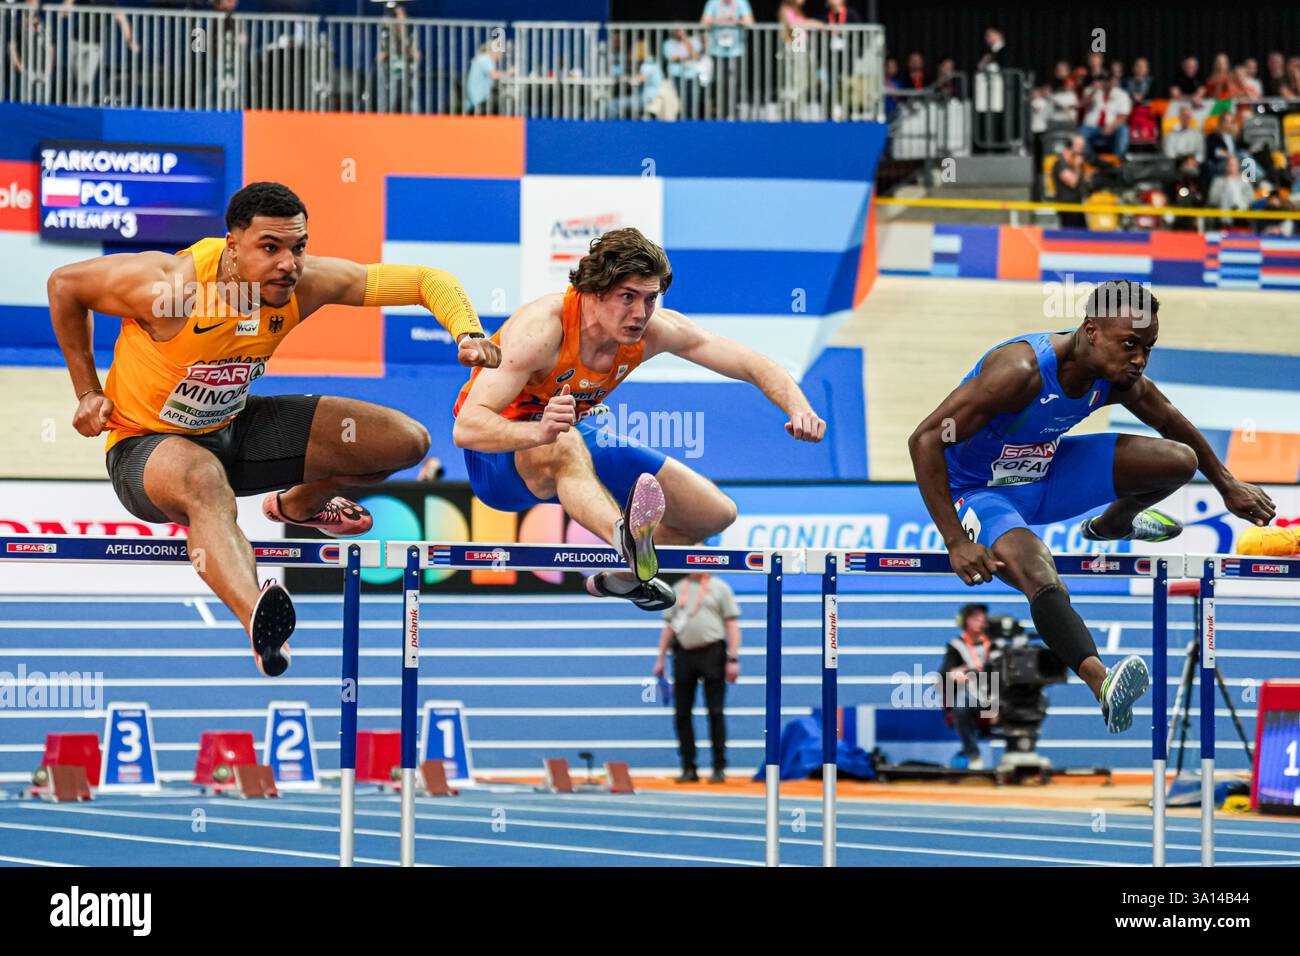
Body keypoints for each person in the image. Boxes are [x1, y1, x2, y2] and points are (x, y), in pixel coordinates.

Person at [48, 182, 500, 677]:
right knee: (201, 479)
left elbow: (425, 280)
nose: (289, 263)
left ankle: (300, 505)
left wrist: (469, 333)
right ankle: (259, 622)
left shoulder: (300, 285)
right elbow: (65, 285)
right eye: (270, 248)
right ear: (232, 245)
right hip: (145, 449)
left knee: (405, 441)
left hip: (234, 430)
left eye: (298, 247)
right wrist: (88, 391)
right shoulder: (170, 288)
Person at [907, 280, 1276, 734]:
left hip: (1049, 473)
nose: (1140, 359)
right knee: (1039, 570)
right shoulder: (1019, 371)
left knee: (1181, 460)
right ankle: (1103, 683)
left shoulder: (1116, 375)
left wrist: (1226, 484)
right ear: (1091, 330)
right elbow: (924, 439)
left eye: (1149, 347)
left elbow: (1169, 420)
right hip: (983, 490)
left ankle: (1114, 523)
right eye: (1131, 345)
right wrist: (954, 540)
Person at [451, 228, 826, 611]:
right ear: (593, 292)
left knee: (713, 514)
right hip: (496, 459)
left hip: (568, 433)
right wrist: (540, 430)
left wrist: (799, 408)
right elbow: (467, 428)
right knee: (562, 442)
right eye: (627, 297)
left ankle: (625, 579)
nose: (640, 314)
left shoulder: (652, 330)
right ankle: (627, 540)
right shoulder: (539, 332)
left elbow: (751, 363)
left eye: (650, 299)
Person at [653, 571, 742, 784]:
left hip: (713, 652)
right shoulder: (677, 588)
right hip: (683, 654)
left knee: (715, 712)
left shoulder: (719, 587)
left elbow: (731, 625)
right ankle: (688, 767)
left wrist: (733, 658)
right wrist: (660, 658)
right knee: (682, 713)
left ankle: (719, 767)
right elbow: (669, 627)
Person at [939, 603, 996, 770]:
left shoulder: (995, 644)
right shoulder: (956, 647)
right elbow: (942, 677)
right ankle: (973, 754)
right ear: (965, 621)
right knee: (962, 703)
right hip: (973, 697)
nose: (981, 620)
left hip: (997, 694)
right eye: (975, 617)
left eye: (982, 617)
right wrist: (953, 675)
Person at [1079, 71, 1131, 159]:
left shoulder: (1122, 95)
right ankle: (1091, 160)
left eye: (1106, 80)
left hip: (1112, 126)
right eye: (1101, 80)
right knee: (1081, 133)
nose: (1103, 82)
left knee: (1123, 129)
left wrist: (1112, 126)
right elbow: (1084, 106)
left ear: (1112, 81)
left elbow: (1123, 116)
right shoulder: (1090, 91)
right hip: (1092, 127)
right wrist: (1093, 91)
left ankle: (1117, 160)